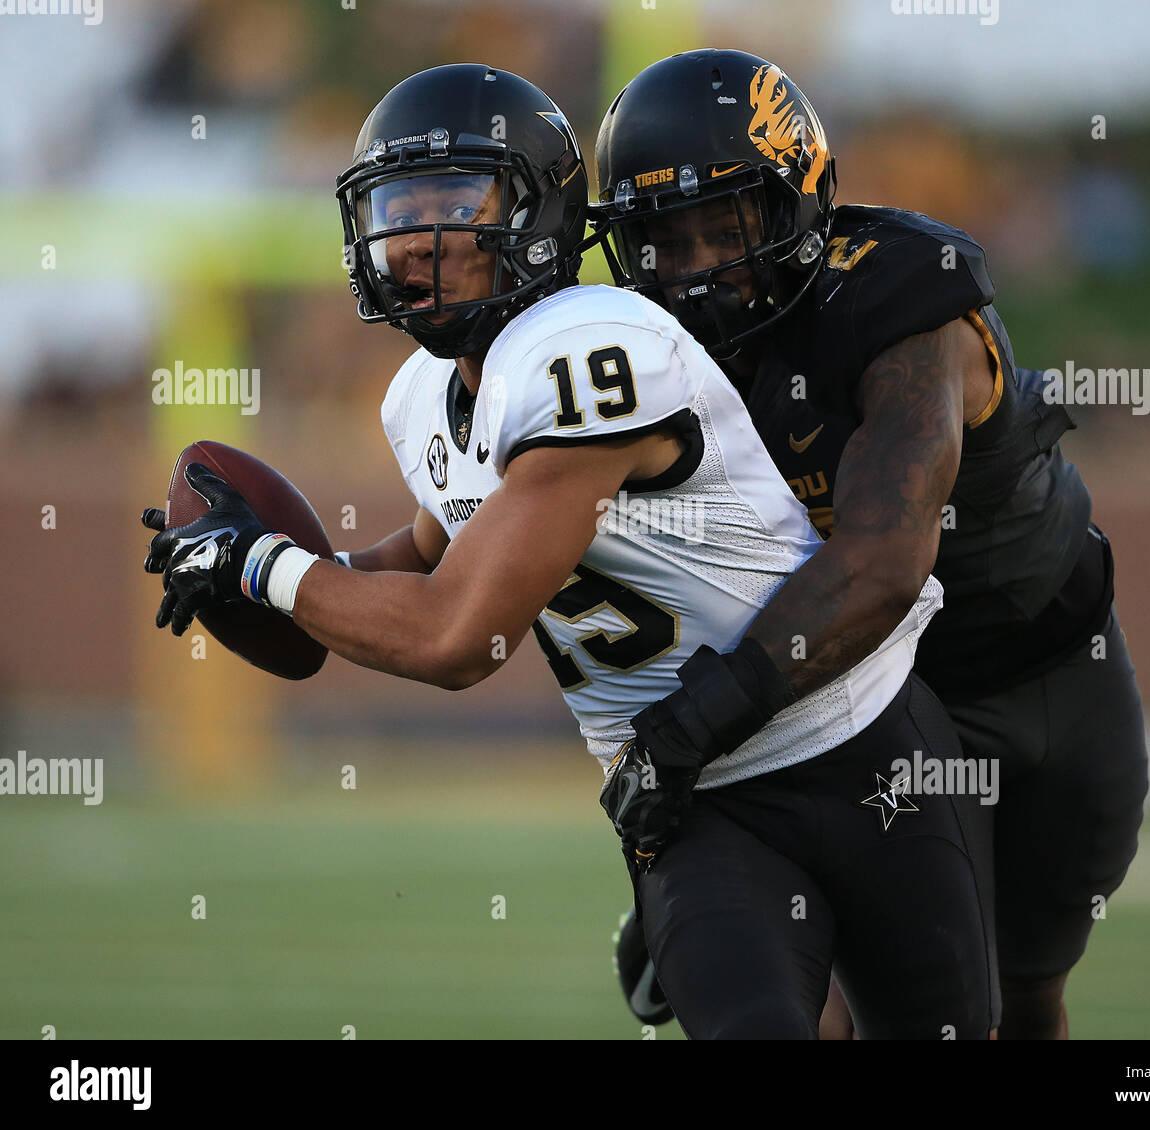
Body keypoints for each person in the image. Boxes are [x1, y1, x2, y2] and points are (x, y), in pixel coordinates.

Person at [140, 64, 996, 1039]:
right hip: (689, 799)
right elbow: (427, 562)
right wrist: (257, 572)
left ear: (539, 212)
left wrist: (264, 567)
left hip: (854, 742)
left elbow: (458, 639)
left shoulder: (594, 346)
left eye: (453, 202)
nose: (414, 240)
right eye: (394, 206)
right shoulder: (420, 399)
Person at [596, 48, 1148, 1040]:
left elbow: (885, 562)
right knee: (845, 1002)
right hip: (868, 702)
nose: (694, 269)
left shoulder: (900, 296)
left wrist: (686, 734)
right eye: (660, 240)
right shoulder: (637, 359)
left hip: (1046, 669)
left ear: (799, 197)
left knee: (1020, 994)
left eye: (723, 224)